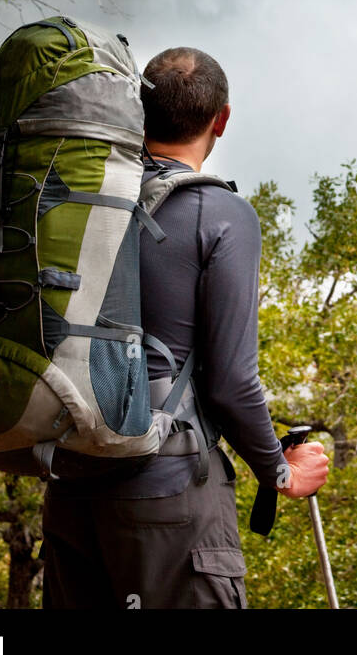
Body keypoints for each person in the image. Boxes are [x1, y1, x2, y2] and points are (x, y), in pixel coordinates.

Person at [41, 45, 329, 609]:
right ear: (221, 119)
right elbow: (230, 381)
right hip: (168, 494)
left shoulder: (81, 198)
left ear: (139, 114)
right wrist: (280, 471)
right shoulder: (221, 215)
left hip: (72, 483)